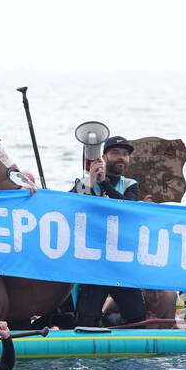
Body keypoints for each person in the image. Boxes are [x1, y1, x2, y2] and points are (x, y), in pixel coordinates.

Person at [64, 135, 150, 327]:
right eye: (116, 153)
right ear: (103, 156)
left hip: (120, 262)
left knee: (137, 318)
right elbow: (66, 204)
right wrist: (89, 182)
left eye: (125, 154)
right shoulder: (86, 183)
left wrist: (103, 183)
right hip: (93, 262)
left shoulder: (130, 184)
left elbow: (128, 208)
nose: (122, 157)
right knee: (86, 320)